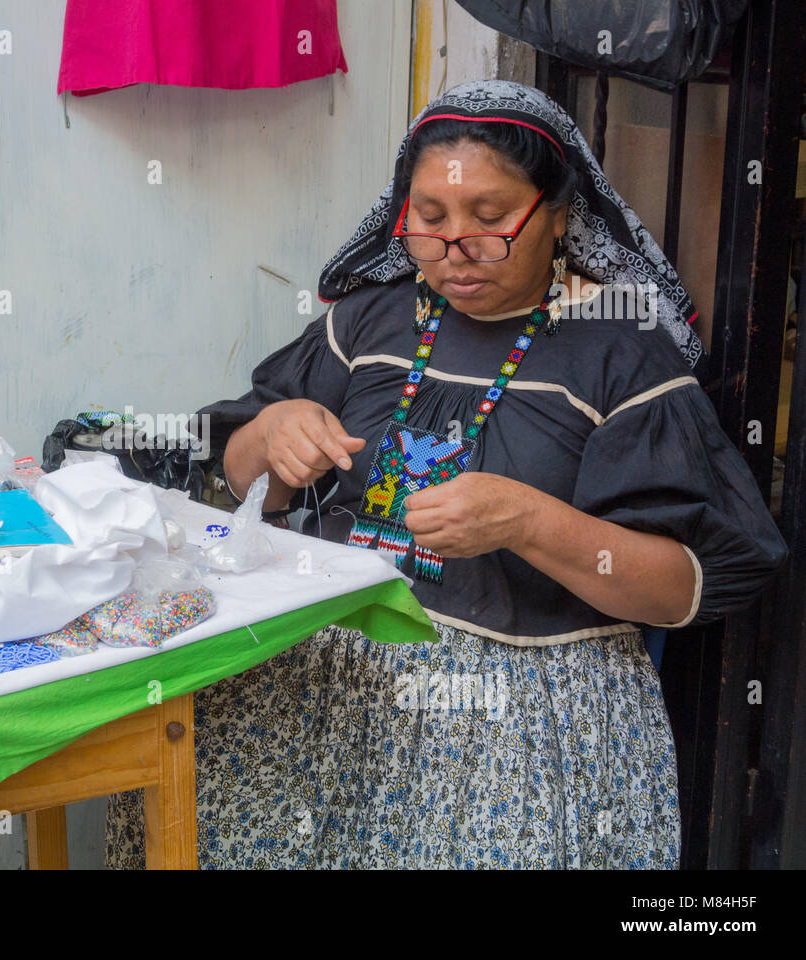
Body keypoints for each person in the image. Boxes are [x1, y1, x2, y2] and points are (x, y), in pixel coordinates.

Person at [105, 80, 788, 869]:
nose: (456, 247)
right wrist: (267, 438)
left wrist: (526, 521)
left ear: (559, 214)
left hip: (522, 707)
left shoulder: (619, 352)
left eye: (491, 220)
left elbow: (690, 585)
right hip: (331, 657)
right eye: (430, 221)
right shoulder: (369, 321)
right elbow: (240, 479)